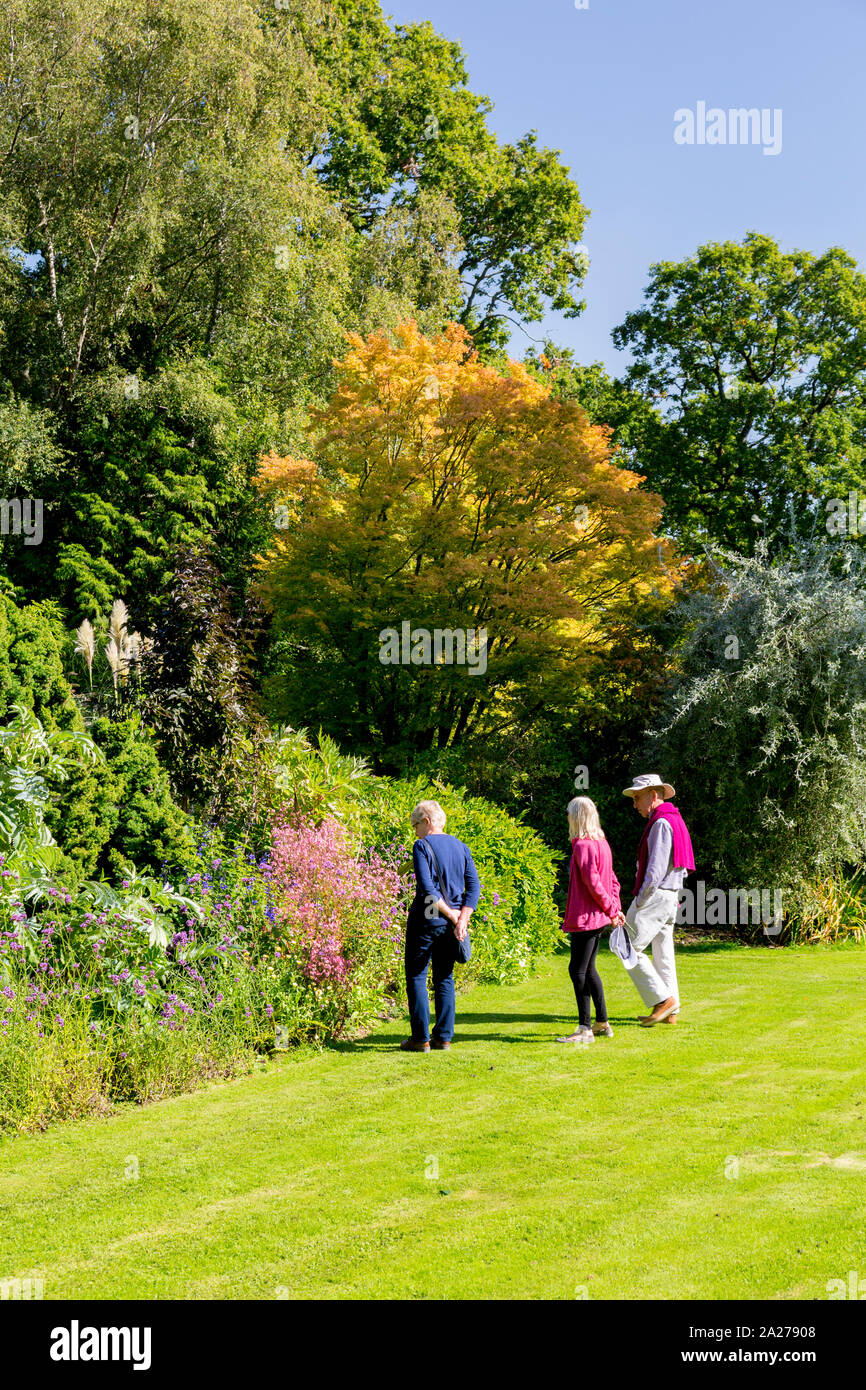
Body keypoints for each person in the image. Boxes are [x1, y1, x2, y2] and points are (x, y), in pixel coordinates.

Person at [612, 773, 695, 1027]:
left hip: (656, 896)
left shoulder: (660, 824)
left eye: (638, 797)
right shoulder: (674, 819)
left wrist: (639, 899)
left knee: (625, 945)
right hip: (670, 896)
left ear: (654, 795)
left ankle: (664, 1000)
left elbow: (655, 871)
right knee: (663, 954)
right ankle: (671, 1011)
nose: (635, 804)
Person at [401, 800, 481, 1053]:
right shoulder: (461, 846)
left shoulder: (422, 846)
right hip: (452, 923)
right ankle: (444, 1037)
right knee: (445, 976)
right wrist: (461, 918)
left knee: (417, 975)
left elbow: (427, 890)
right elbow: (474, 887)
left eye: (415, 825)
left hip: (426, 919)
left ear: (426, 821)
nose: (414, 831)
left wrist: (452, 915)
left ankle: (421, 1038)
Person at [555, 796, 621, 1045]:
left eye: (569, 813)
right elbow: (612, 880)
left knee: (577, 970)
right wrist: (614, 908)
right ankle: (602, 1022)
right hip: (598, 917)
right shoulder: (601, 843)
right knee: (589, 969)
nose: (567, 817)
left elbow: (594, 884)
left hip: (586, 918)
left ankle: (584, 1028)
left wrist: (612, 910)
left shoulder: (582, 845)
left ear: (577, 816)